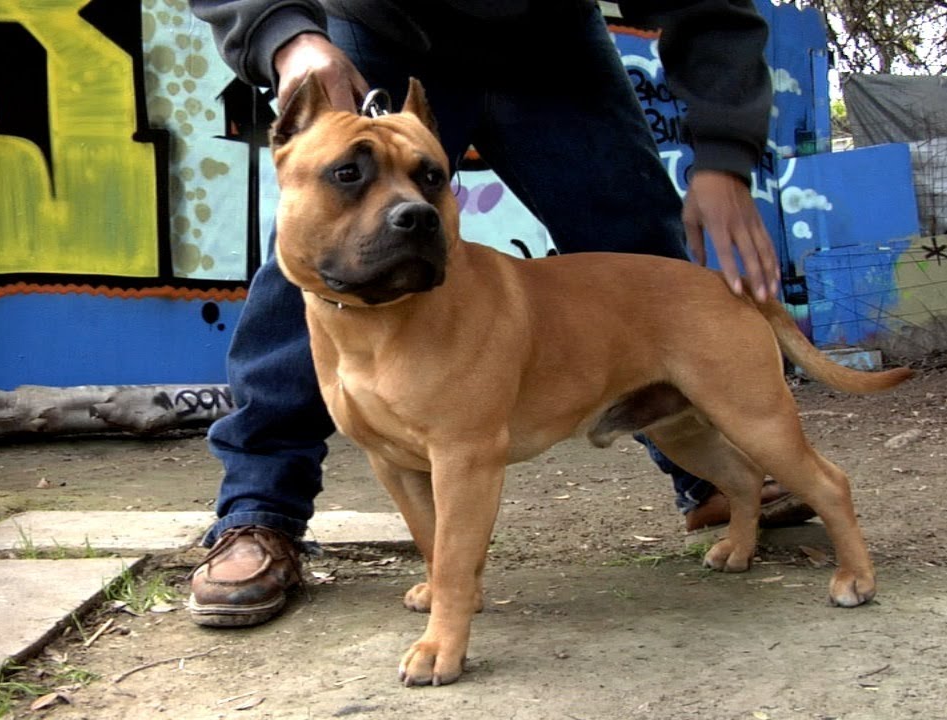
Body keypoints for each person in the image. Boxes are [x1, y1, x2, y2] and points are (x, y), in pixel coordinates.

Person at [187, 0, 813, 628]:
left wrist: (724, 158)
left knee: (642, 255)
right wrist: (285, 35)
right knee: (321, 255)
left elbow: (708, 6)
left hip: (549, 36)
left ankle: (714, 476)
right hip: (380, 22)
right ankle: (259, 509)